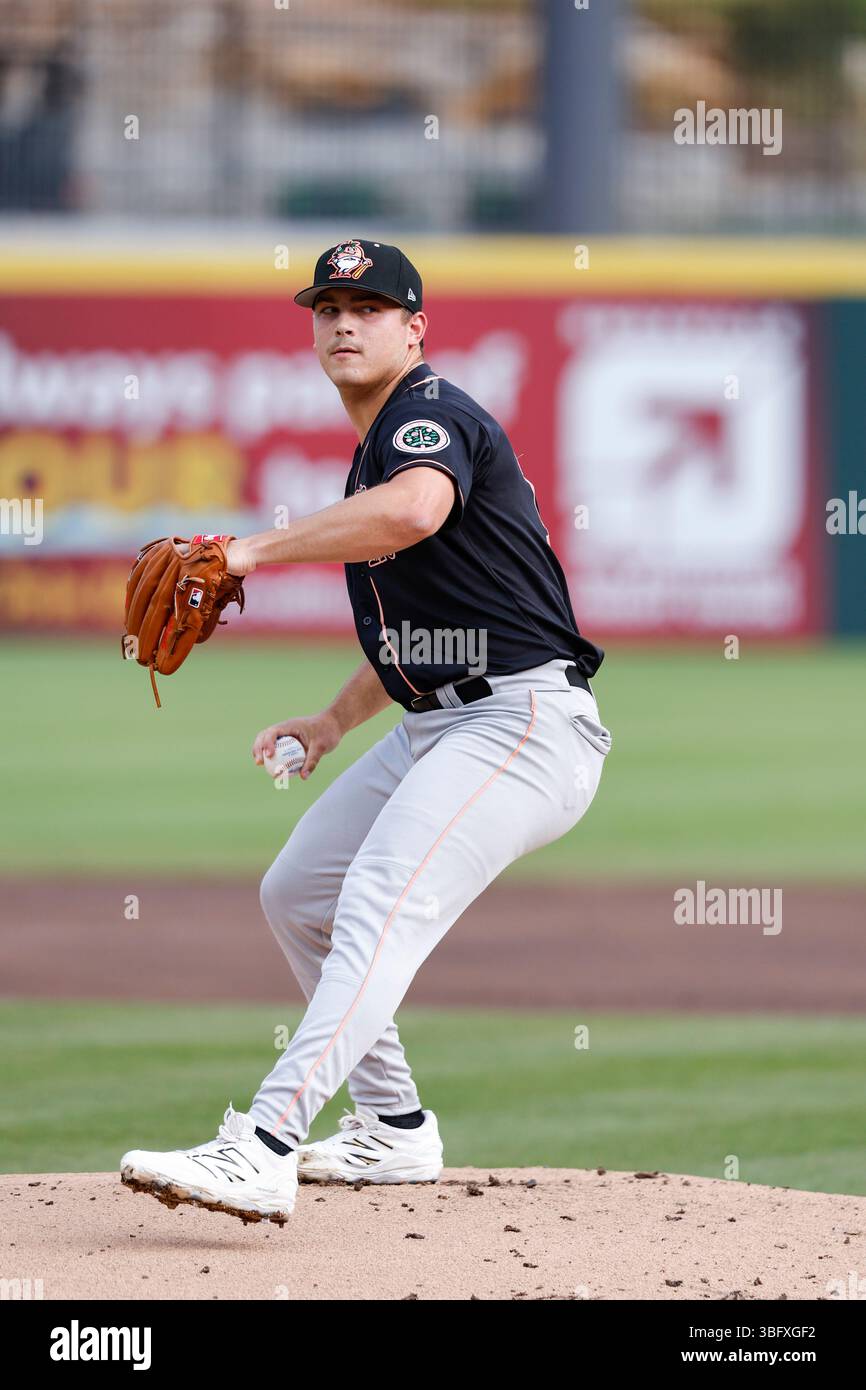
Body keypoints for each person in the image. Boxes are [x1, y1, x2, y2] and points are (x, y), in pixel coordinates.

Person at [120, 239, 612, 1225]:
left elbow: (413, 514)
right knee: (298, 891)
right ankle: (391, 1126)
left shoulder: (426, 418)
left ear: (414, 327)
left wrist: (248, 546)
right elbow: (434, 626)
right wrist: (334, 720)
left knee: (381, 896)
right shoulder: (377, 441)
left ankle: (260, 1145)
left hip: (518, 723)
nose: (345, 322)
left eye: (371, 306)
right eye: (329, 305)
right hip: (450, 717)